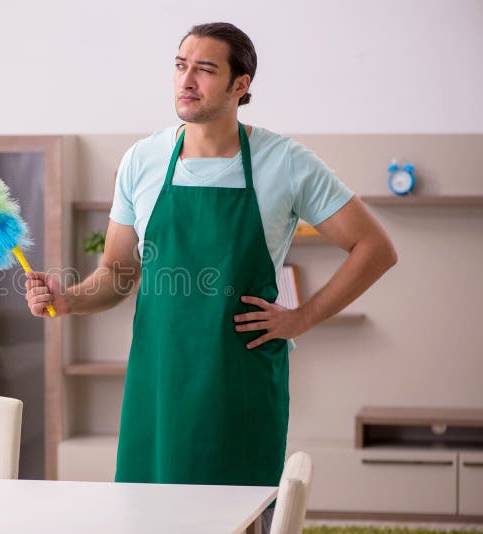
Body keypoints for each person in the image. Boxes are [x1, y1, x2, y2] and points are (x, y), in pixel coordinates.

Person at [24, 21, 397, 533]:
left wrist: (302, 317)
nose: (187, 80)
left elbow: (374, 247)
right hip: (158, 383)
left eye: (205, 69)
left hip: (237, 384)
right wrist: (68, 299)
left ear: (240, 86)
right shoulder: (142, 160)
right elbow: (117, 271)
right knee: (147, 519)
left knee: (237, 518)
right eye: (181, 66)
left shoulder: (284, 162)